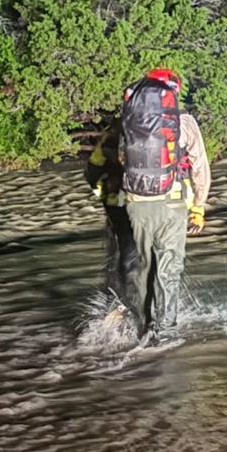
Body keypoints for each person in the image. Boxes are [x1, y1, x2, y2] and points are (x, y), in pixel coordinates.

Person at [119, 68, 210, 344]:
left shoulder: (128, 121)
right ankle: (166, 333)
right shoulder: (184, 122)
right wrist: (199, 207)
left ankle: (143, 329)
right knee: (168, 269)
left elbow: (120, 159)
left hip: (136, 205)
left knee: (144, 266)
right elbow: (200, 166)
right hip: (172, 204)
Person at [84, 117, 141, 324]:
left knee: (118, 252)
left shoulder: (109, 138)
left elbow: (91, 172)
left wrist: (103, 196)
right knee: (133, 253)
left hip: (115, 203)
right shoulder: (147, 134)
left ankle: (116, 299)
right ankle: (133, 303)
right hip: (141, 203)